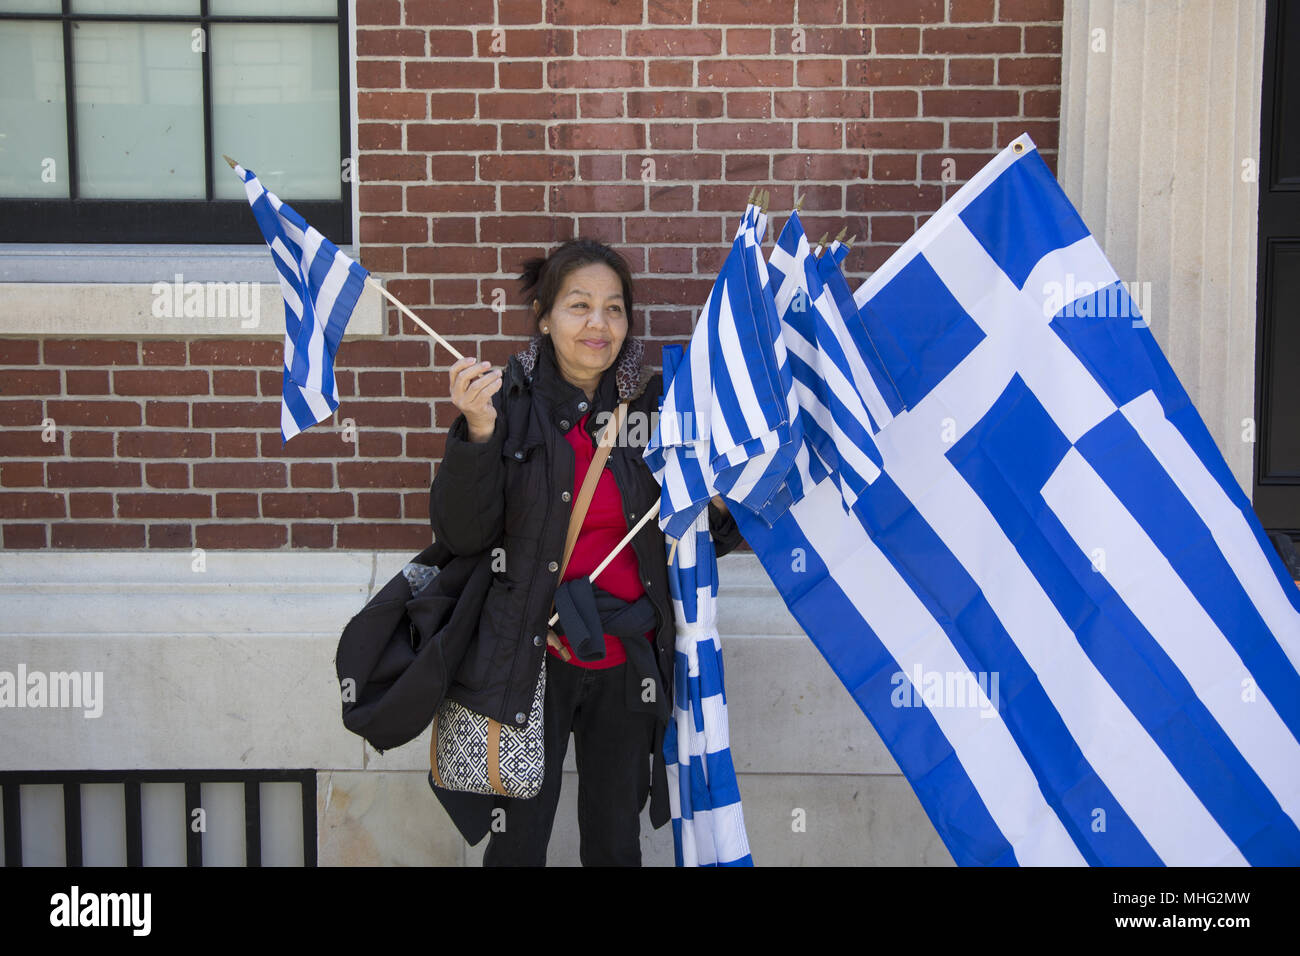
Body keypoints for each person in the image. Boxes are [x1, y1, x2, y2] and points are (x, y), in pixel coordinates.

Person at [429, 237, 743, 866]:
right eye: (578, 306)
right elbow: (462, 536)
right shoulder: (503, 405)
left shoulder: (658, 409)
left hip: (627, 667)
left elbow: (707, 535)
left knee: (614, 842)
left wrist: (719, 503)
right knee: (517, 845)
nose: (599, 324)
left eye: (614, 308)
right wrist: (477, 435)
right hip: (529, 663)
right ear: (544, 317)